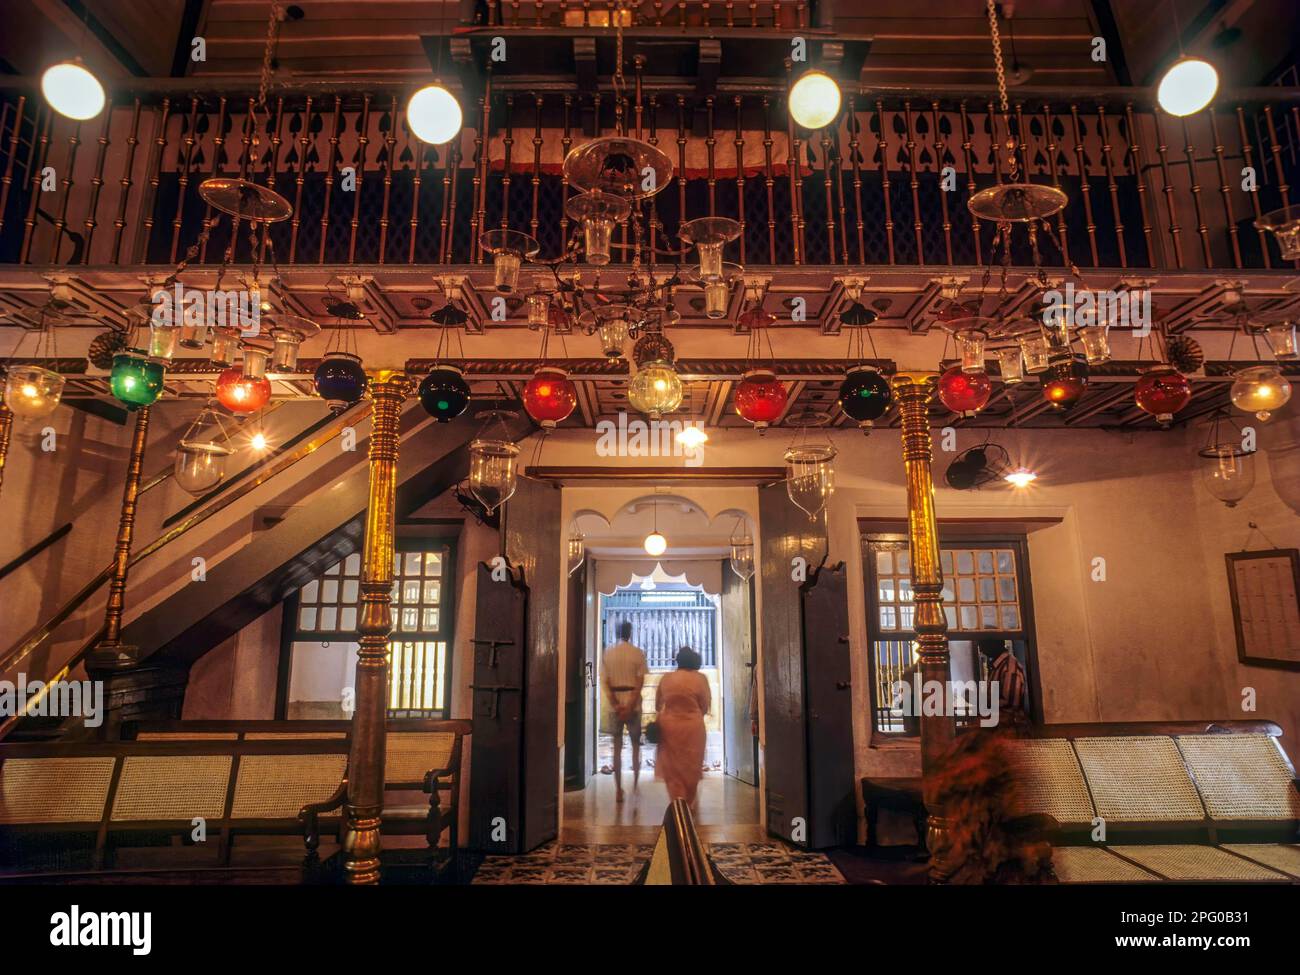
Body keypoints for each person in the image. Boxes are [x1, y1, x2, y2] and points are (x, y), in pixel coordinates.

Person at [654, 646, 711, 809]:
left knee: (673, 771)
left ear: (677, 660)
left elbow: (658, 705)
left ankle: (677, 804)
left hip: (669, 729)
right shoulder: (700, 679)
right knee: (692, 768)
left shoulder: (666, 678)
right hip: (693, 729)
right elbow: (705, 706)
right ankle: (689, 804)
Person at [602, 620, 648, 803]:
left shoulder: (608, 653)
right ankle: (636, 785)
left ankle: (618, 791)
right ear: (630, 633)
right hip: (634, 705)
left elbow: (605, 682)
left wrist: (616, 705)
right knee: (636, 746)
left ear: (617, 633)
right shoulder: (637, 653)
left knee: (617, 749)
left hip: (615, 707)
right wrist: (629, 706)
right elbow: (640, 682)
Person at [977, 638, 1029, 728]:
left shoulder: (1009, 667)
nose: (981, 649)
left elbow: (1011, 703)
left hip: (1008, 728)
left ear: (993, 644)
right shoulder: (998, 666)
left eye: (982, 644)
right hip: (999, 726)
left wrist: (980, 700)